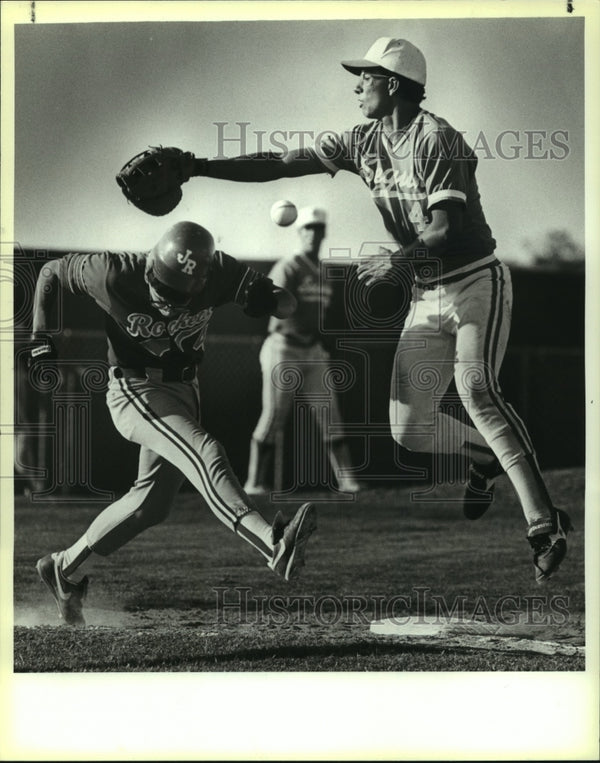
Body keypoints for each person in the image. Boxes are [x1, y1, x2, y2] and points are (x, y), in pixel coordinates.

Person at [162, 36, 572, 583]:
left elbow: (446, 229)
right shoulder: (364, 141)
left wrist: (398, 260)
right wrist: (197, 165)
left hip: (476, 281)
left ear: (394, 84)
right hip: (427, 296)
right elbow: (282, 164)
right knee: (408, 431)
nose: (357, 86)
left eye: (367, 77)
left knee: (475, 388)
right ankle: (482, 456)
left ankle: (544, 523)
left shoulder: (437, 139)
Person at [30, 221, 317, 626]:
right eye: (161, 291)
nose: (168, 304)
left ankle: (63, 569)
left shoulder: (218, 272)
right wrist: (40, 333)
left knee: (150, 506)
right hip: (134, 387)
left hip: (184, 389)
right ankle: (273, 545)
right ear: (150, 267)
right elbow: (50, 272)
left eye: (179, 297)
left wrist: (269, 298)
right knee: (206, 450)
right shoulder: (112, 271)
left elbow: (286, 304)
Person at [244, 205, 360, 495]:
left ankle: (348, 481)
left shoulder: (323, 272)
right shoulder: (289, 266)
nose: (313, 234)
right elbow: (271, 303)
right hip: (283, 347)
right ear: (299, 232)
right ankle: (255, 483)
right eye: (308, 228)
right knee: (273, 418)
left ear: (323, 233)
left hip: (313, 350)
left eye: (318, 229)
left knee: (330, 416)